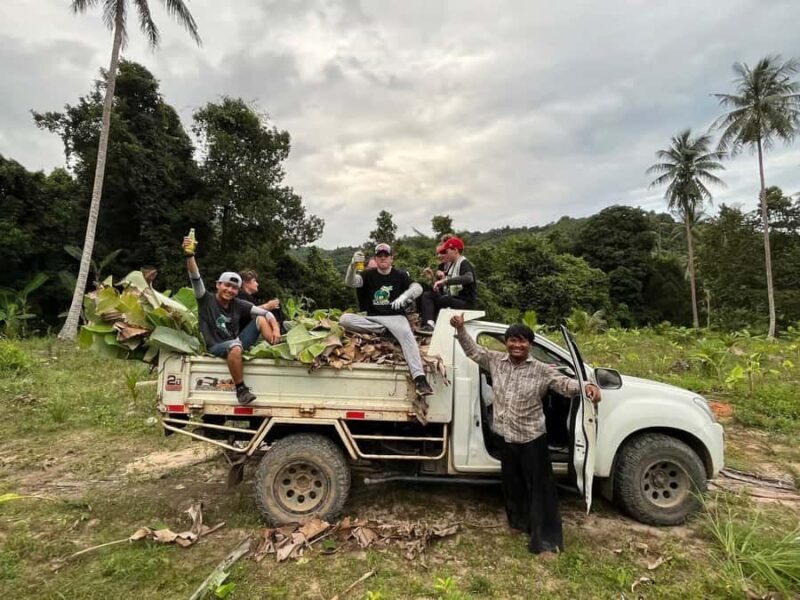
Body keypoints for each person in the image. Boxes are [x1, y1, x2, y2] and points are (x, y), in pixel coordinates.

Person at [449, 313, 601, 554]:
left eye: (522, 341)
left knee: (540, 490)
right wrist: (460, 329)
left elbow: (564, 384)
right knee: (513, 485)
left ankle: (547, 540)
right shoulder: (496, 361)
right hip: (505, 437)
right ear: (506, 343)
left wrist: (587, 388)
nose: (517, 345)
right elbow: (473, 351)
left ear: (529, 345)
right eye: (512, 340)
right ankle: (520, 524)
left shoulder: (541, 369)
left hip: (531, 439)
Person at [182, 236, 281, 405]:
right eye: (226, 285)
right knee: (235, 346)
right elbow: (195, 277)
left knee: (260, 319)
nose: (230, 290)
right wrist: (189, 256)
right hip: (215, 346)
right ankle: (241, 390)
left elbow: (266, 314)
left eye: (234, 287)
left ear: (238, 290)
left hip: (235, 343)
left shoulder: (239, 303)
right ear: (218, 285)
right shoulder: (205, 299)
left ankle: (278, 350)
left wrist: (276, 330)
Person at [340, 243, 434, 396]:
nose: (383, 258)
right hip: (373, 319)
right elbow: (350, 282)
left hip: (396, 318)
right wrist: (352, 265)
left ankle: (420, 378)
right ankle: (385, 331)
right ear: (375, 259)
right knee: (344, 319)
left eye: (386, 255)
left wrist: (405, 295)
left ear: (391, 258)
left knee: (406, 335)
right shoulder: (367, 275)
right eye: (379, 256)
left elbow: (418, 288)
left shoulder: (400, 275)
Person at [417, 236, 477, 334]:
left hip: (465, 301)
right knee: (428, 295)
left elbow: (469, 278)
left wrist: (445, 281)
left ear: (455, 250)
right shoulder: (452, 265)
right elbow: (442, 289)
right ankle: (429, 324)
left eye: (447, 251)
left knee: (444, 299)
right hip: (453, 298)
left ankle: (436, 323)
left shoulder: (463, 262)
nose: (445, 254)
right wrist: (435, 280)